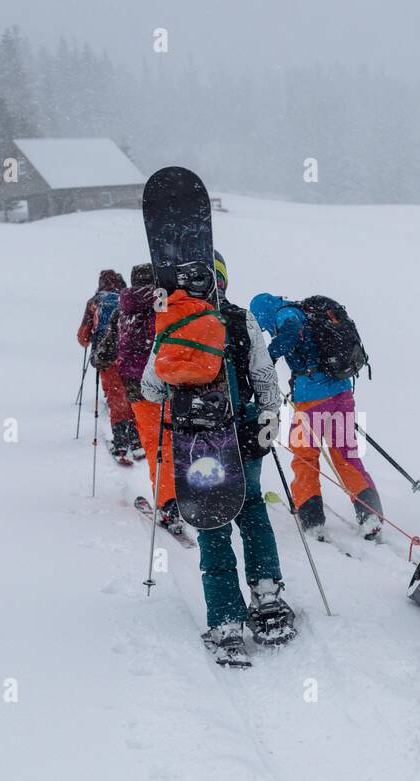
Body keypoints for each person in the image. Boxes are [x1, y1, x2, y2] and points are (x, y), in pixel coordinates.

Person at [141, 252, 296, 664]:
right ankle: (267, 600)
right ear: (223, 280)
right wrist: (268, 417)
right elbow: (264, 375)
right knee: (252, 513)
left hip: (197, 442)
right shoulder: (241, 319)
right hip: (243, 433)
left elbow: (151, 390)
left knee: (211, 522)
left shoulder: (173, 323)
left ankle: (226, 621)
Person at [248, 292, 383, 540]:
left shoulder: (285, 314)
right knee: (346, 454)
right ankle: (371, 515)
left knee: (304, 456)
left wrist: (264, 358)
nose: (264, 327)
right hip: (342, 393)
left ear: (262, 312)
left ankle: (311, 519)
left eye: (260, 321)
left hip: (313, 398)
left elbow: (289, 331)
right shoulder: (306, 311)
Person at [100, 263, 179, 526]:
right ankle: (181, 496)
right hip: (167, 380)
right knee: (173, 441)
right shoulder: (163, 301)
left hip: (136, 387)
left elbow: (105, 351)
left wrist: (101, 360)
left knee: (155, 444)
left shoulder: (122, 311)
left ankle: (167, 502)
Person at [77, 269, 141, 460]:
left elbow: (83, 338)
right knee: (133, 394)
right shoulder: (128, 299)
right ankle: (138, 440)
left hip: (106, 357)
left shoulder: (95, 302)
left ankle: (121, 443)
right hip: (131, 355)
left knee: (116, 396)